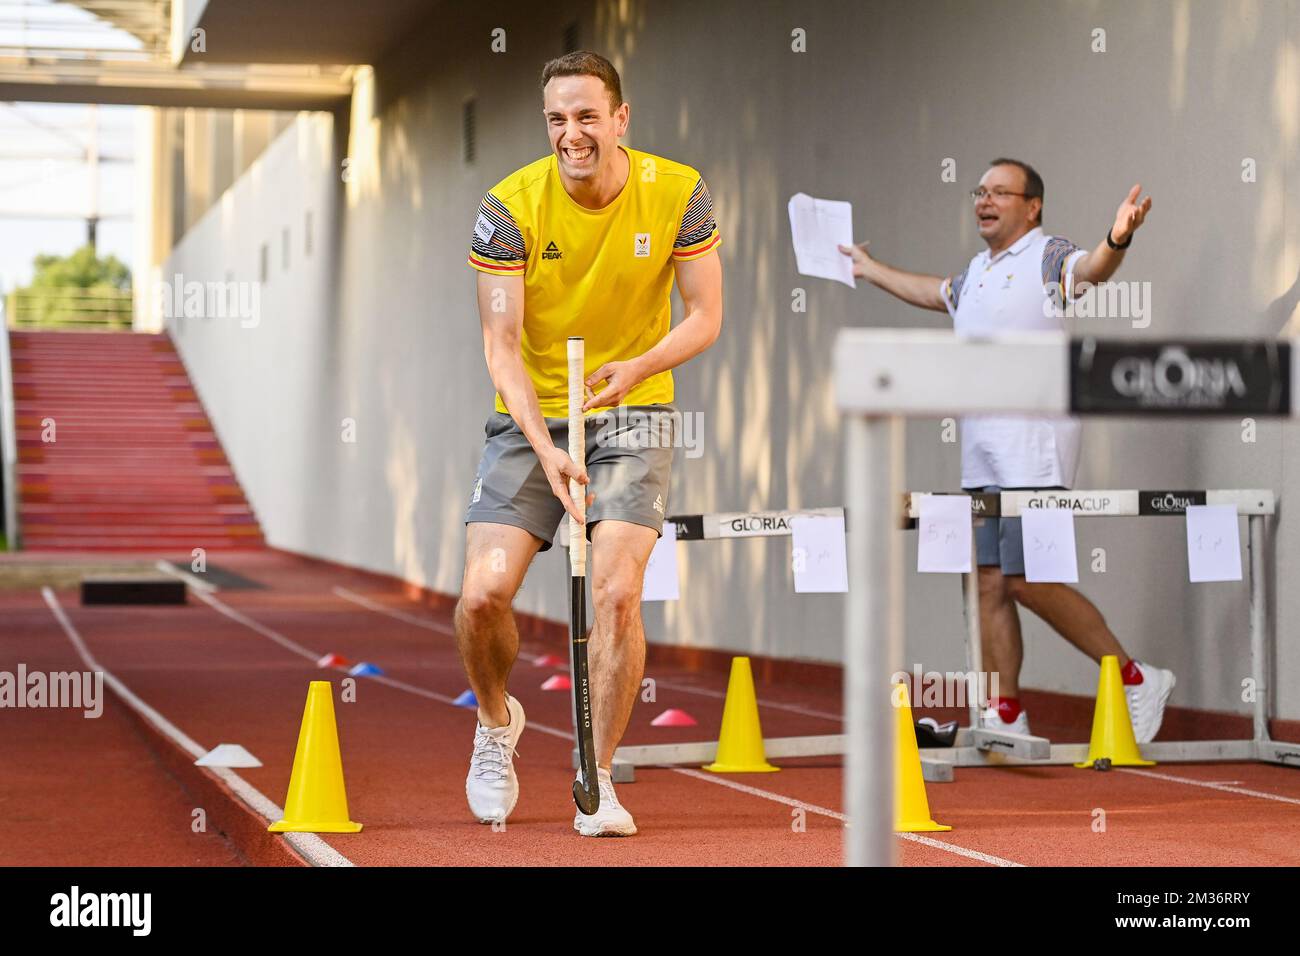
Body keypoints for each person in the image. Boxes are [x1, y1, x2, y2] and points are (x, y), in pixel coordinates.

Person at [460, 51, 723, 836]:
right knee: (481, 597)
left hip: (634, 408)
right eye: (555, 119)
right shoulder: (509, 209)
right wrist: (545, 449)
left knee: (614, 590)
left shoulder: (680, 193)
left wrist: (636, 367)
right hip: (532, 416)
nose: (570, 134)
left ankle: (597, 776)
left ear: (620, 119)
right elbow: (500, 347)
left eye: (585, 116)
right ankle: (495, 722)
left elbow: (705, 316)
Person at [839, 158, 1175, 743]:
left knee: (1025, 579)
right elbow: (932, 292)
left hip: (1034, 450)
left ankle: (1135, 676)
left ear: (1032, 205)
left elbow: (1092, 271)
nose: (984, 201)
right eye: (979, 191)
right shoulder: (976, 272)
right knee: (988, 579)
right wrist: (869, 269)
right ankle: (1006, 713)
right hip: (984, 451)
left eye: (1000, 192)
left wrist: (1118, 237)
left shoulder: (1047, 257)